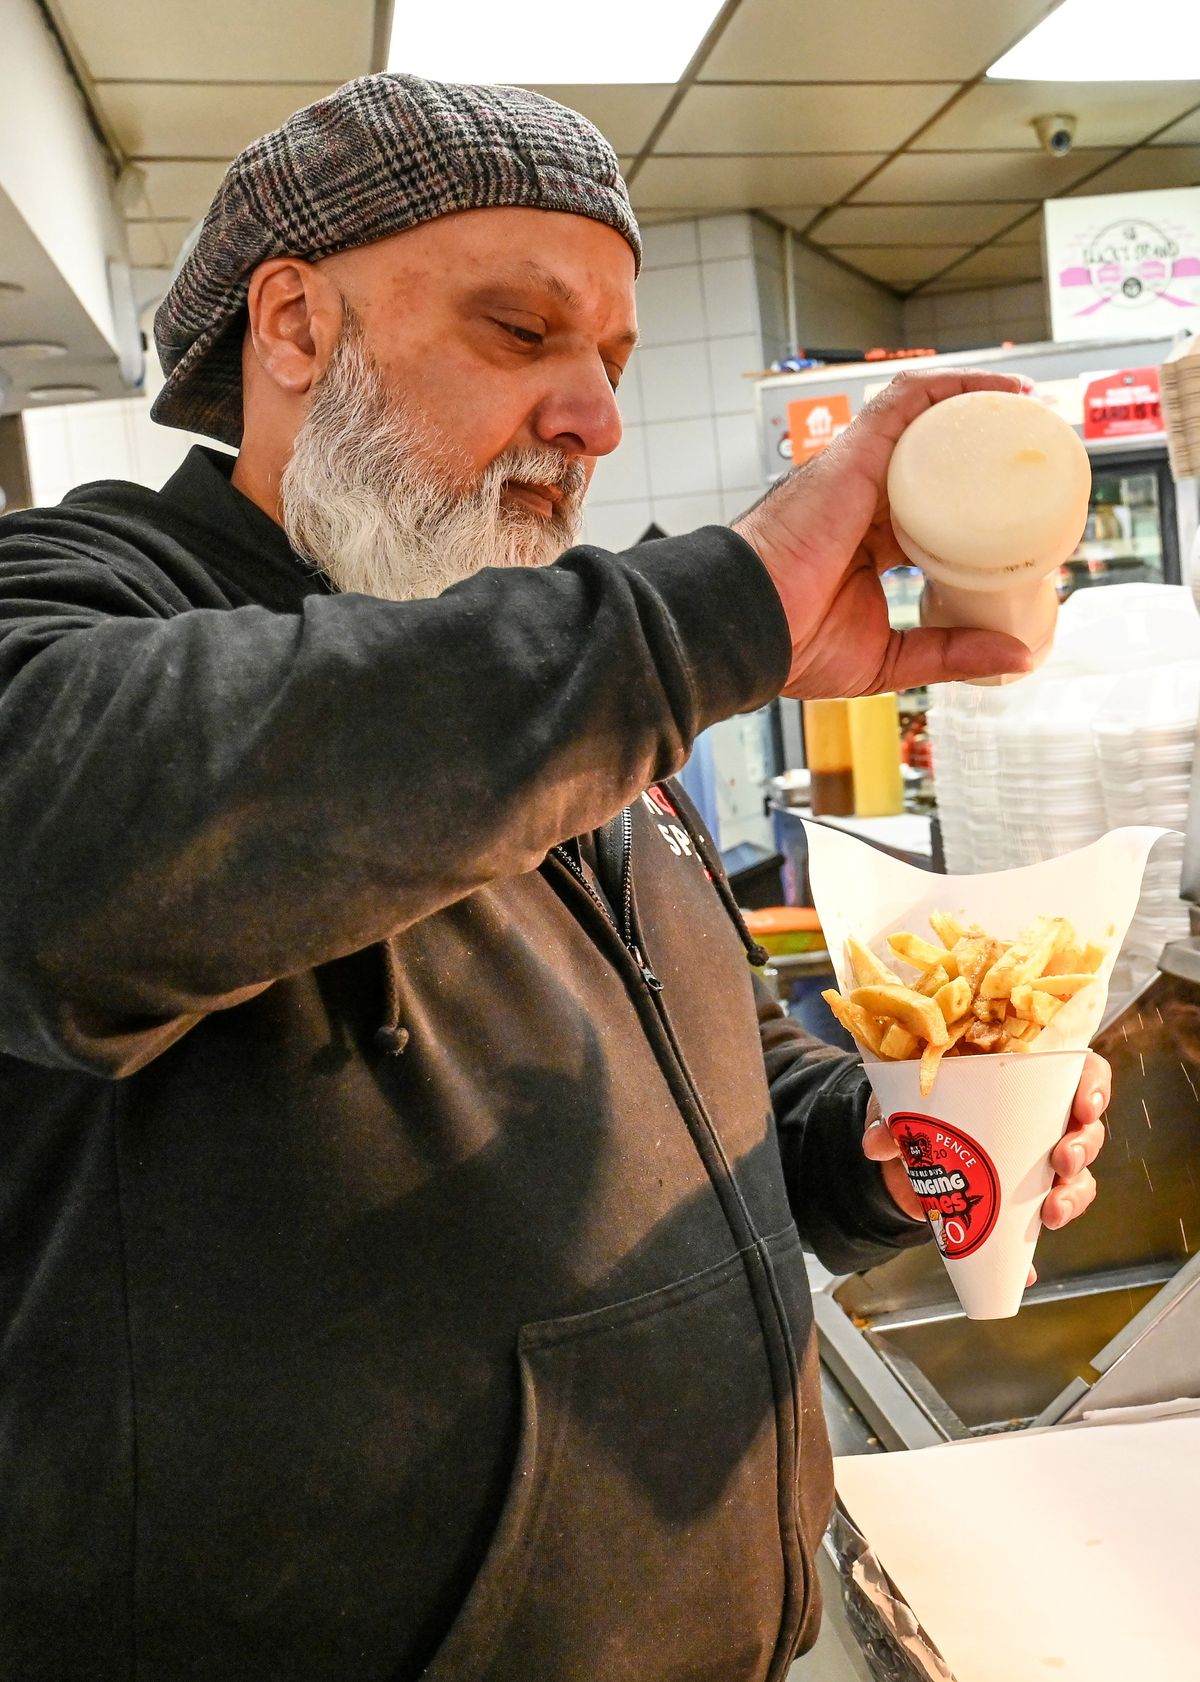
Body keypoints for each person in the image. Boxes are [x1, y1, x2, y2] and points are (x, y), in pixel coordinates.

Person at [0, 74, 1107, 1682]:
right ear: (294, 328)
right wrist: (707, 615)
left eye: (613, 359)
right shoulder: (86, 606)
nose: (592, 414)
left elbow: (702, 1066)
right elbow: (62, 858)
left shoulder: (549, 672)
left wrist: (877, 1140)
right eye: (524, 334)